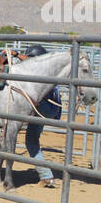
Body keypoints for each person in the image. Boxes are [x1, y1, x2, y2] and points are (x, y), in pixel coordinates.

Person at [21, 44, 62, 187]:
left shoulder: (40, 75)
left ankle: (47, 176)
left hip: (44, 110)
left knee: (31, 142)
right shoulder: (48, 72)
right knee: (31, 141)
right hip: (48, 111)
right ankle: (46, 176)